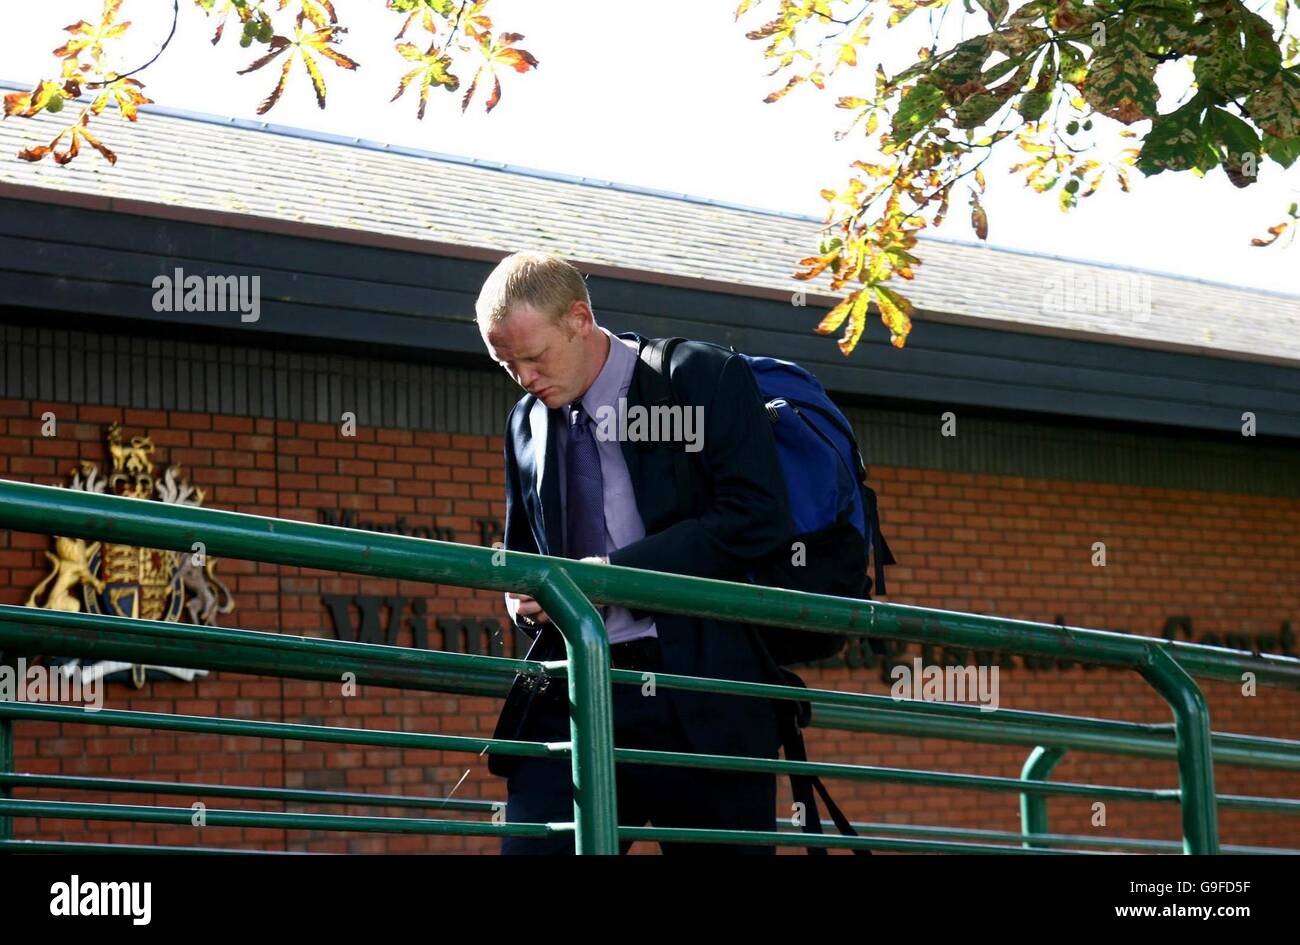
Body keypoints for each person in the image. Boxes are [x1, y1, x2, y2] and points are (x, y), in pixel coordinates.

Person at [476, 251, 793, 855]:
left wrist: (612, 577)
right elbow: (526, 552)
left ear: (579, 318)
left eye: (534, 356)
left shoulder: (697, 376)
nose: (523, 377)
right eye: (506, 363)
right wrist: (523, 595)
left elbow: (757, 517)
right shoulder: (524, 422)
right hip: (575, 692)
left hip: (698, 698)